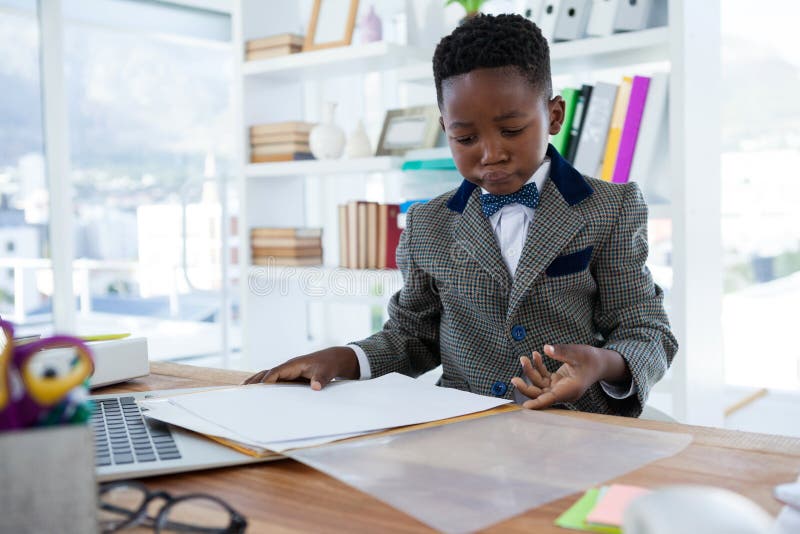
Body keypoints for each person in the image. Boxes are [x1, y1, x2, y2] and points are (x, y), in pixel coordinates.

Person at [245, 13, 676, 417]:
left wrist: (601, 363)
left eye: (511, 130)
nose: (491, 153)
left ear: (554, 115)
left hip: (579, 430)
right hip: (458, 431)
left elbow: (645, 330)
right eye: (466, 137)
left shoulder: (610, 208)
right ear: (445, 128)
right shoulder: (427, 223)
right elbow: (414, 338)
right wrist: (344, 358)